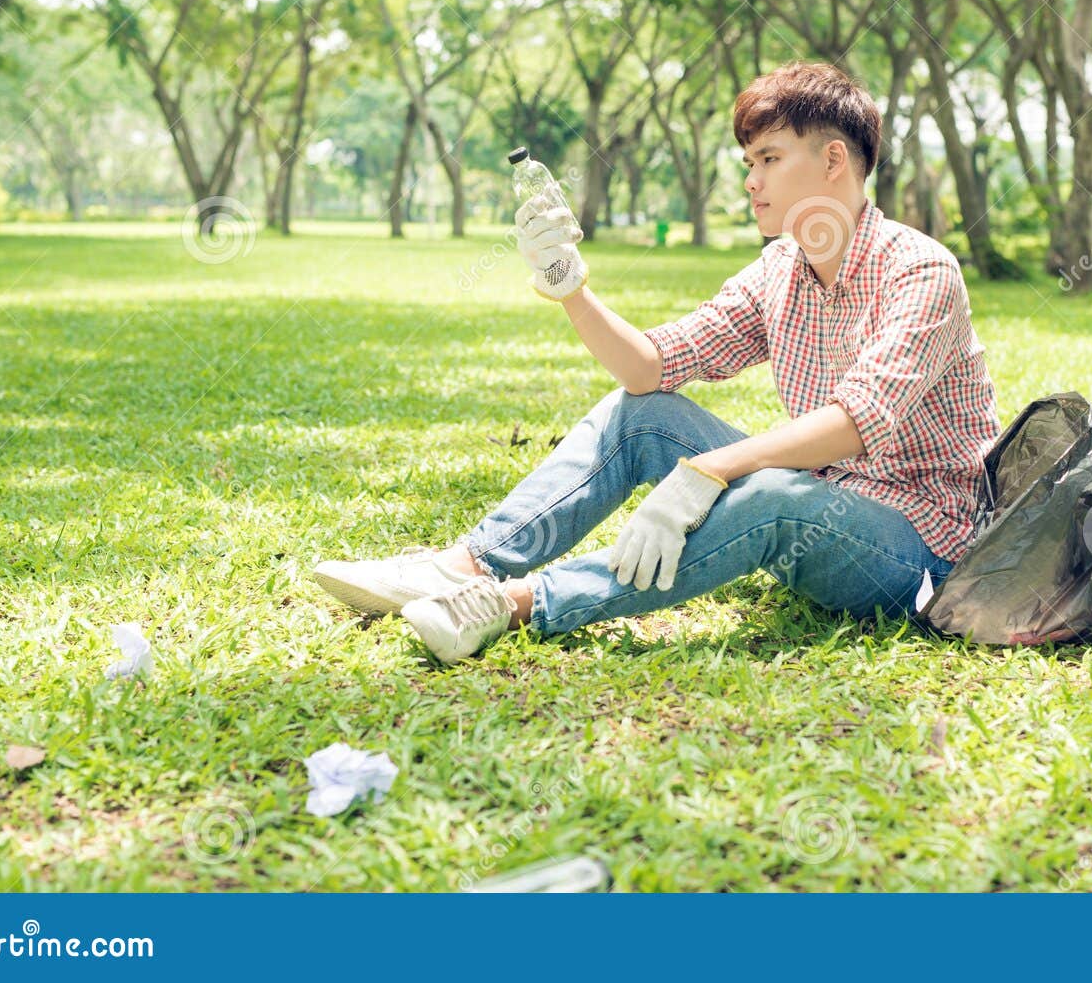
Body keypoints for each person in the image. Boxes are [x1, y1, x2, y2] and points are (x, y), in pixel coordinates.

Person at [313, 61, 1001, 663]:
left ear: (832, 162)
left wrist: (710, 469)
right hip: (821, 498)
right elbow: (649, 368)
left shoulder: (920, 269)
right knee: (642, 415)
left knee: (770, 495)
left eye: (769, 159)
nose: (752, 181)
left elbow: (855, 424)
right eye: (748, 163)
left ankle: (518, 603)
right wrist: (569, 285)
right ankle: (465, 567)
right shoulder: (778, 271)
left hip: (919, 546)